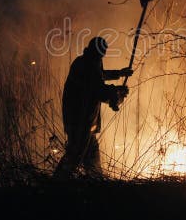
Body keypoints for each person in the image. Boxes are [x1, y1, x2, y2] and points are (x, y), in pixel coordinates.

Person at [54, 37, 132, 178]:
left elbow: (99, 77)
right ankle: (56, 184)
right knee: (75, 155)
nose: (103, 54)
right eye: (102, 51)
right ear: (96, 50)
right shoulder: (87, 65)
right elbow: (98, 90)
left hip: (86, 122)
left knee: (91, 158)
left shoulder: (88, 61)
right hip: (80, 121)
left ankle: (96, 183)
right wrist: (117, 93)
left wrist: (119, 73)